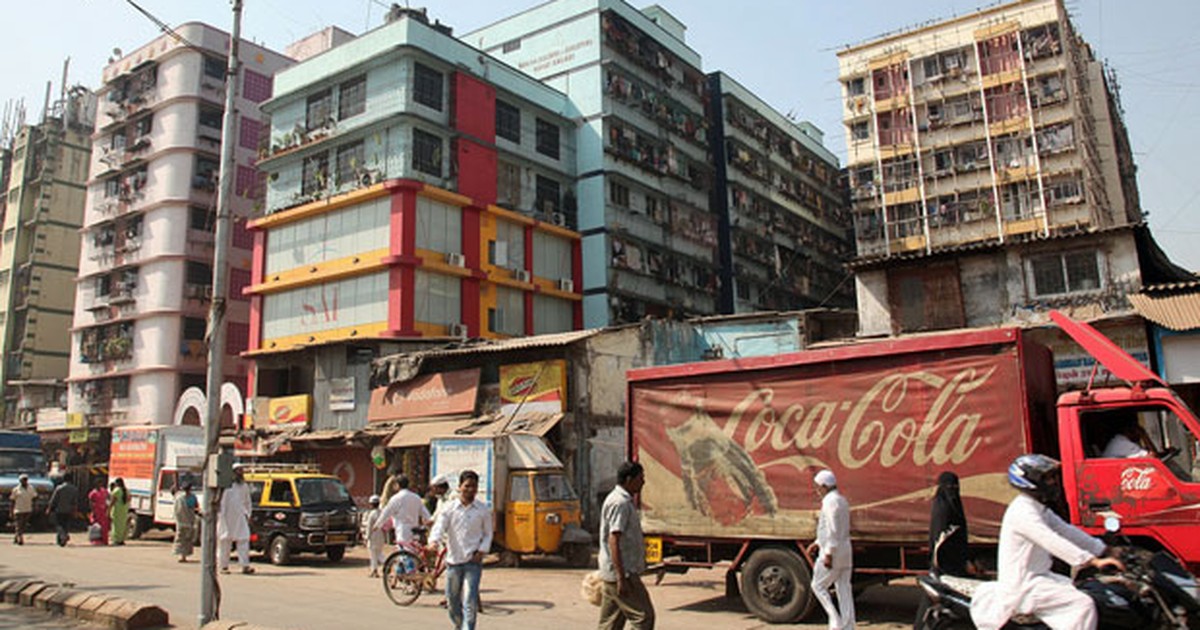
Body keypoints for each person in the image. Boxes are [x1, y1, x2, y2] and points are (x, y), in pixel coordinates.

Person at [970, 454, 1124, 630]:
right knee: (1082, 605)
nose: (1053, 482)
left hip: (1041, 579)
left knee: (1090, 591)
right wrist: (1092, 560)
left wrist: (1103, 549)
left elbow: (1066, 530)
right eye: (1047, 478)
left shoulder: (1037, 508)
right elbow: (1052, 540)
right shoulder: (1023, 512)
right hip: (1024, 586)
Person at [429, 470, 493, 630]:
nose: (470, 490)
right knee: (452, 601)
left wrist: (481, 551)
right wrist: (434, 542)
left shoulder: (482, 510)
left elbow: (488, 534)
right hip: (453, 562)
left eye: (474, 486)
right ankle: (459, 624)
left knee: (470, 601)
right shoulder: (449, 509)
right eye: (467, 486)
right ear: (459, 487)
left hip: (473, 561)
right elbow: (439, 527)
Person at [597, 460, 655, 630]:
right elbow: (614, 540)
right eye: (640, 478)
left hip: (616, 573)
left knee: (610, 623)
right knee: (643, 617)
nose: (643, 482)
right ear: (629, 479)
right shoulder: (620, 503)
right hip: (623, 574)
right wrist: (621, 578)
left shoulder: (621, 500)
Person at [806, 469, 854, 630]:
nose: (816, 490)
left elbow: (833, 530)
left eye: (818, 486)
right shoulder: (842, 500)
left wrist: (828, 553)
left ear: (825, 486)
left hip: (834, 551)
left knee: (818, 586)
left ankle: (835, 622)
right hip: (845, 550)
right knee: (844, 588)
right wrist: (817, 542)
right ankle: (848, 625)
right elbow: (831, 528)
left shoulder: (829, 502)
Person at [929, 471, 970, 576]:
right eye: (949, 486)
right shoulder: (942, 508)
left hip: (957, 559)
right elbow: (939, 537)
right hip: (945, 563)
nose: (953, 489)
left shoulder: (955, 504)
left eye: (956, 486)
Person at [218, 467, 255, 574]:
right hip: (227, 518)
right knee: (225, 542)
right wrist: (221, 517)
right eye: (237, 470)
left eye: (241, 470)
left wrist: (248, 515)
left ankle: (245, 566)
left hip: (240, 517)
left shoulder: (244, 486)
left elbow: (248, 502)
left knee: (244, 540)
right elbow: (222, 503)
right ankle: (223, 566)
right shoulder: (226, 486)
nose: (240, 473)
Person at [375, 475, 430, 546]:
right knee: (414, 550)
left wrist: (377, 524)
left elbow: (386, 512)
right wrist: (430, 522)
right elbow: (425, 513)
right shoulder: (416, 497)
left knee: (403, 550)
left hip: (402, 530)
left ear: (397, 485)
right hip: (415, 530)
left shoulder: (396, 498)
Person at [46, 475, 79, 547]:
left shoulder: (59, 488)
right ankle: (63, 538)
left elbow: (53, 499)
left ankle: (62, 535)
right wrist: (75, 511)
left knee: (59, 524)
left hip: (59, 509)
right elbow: (75, 502)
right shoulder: (74, 489)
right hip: (69, 510)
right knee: (66, 525)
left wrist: (49, 508)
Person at [173, 483, 200, 562]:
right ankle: (182, 556)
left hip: (184, 521)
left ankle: (183, 556)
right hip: (186, 521)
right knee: (184, 539)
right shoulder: (189, 497)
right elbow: (195, 507)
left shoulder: (180, 497)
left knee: (183, 539)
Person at [362, 495, 387, 578]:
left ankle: (376, 569)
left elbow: (369, 527)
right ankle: (378, 568)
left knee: (373, 555)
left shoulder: (371, 514)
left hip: (373, 536)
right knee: (379, 553)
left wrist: (366, 537)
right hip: (381, 536)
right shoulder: (382, 513)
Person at [10, 474, 35, 545]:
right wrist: (11, 511)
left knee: (23, 525)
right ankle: (20, 539)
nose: (24, 481)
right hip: (18, 509)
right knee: (19, 525)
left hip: (27, 509)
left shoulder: (31, 488)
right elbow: (12, 500)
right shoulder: (16, 489)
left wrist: (34, 506)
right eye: (23, 480)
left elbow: (34, 497)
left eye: (25, 479)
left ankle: (16, 536)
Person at [88, 479, 110, 546]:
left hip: (103, 511)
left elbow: (108, 499)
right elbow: (90, 503)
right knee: (96, 526)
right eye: (98, 484)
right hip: (97, 511)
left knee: (104, 527)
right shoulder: (93, 493)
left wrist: (107, 507)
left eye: (101, 483)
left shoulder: (104, 491)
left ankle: (105, 540)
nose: (100, 485)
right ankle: (96, 540)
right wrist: (93, 511)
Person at [109, 478, 129, 546]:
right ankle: (121, 540)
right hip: (124, 511)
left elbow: (112, 501)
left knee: (115, 526)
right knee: (122, 526)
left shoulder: (116, 491)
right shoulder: (126, 490)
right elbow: (129, 499)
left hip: (117, 510)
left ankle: (116, 540)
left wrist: (108, 510)